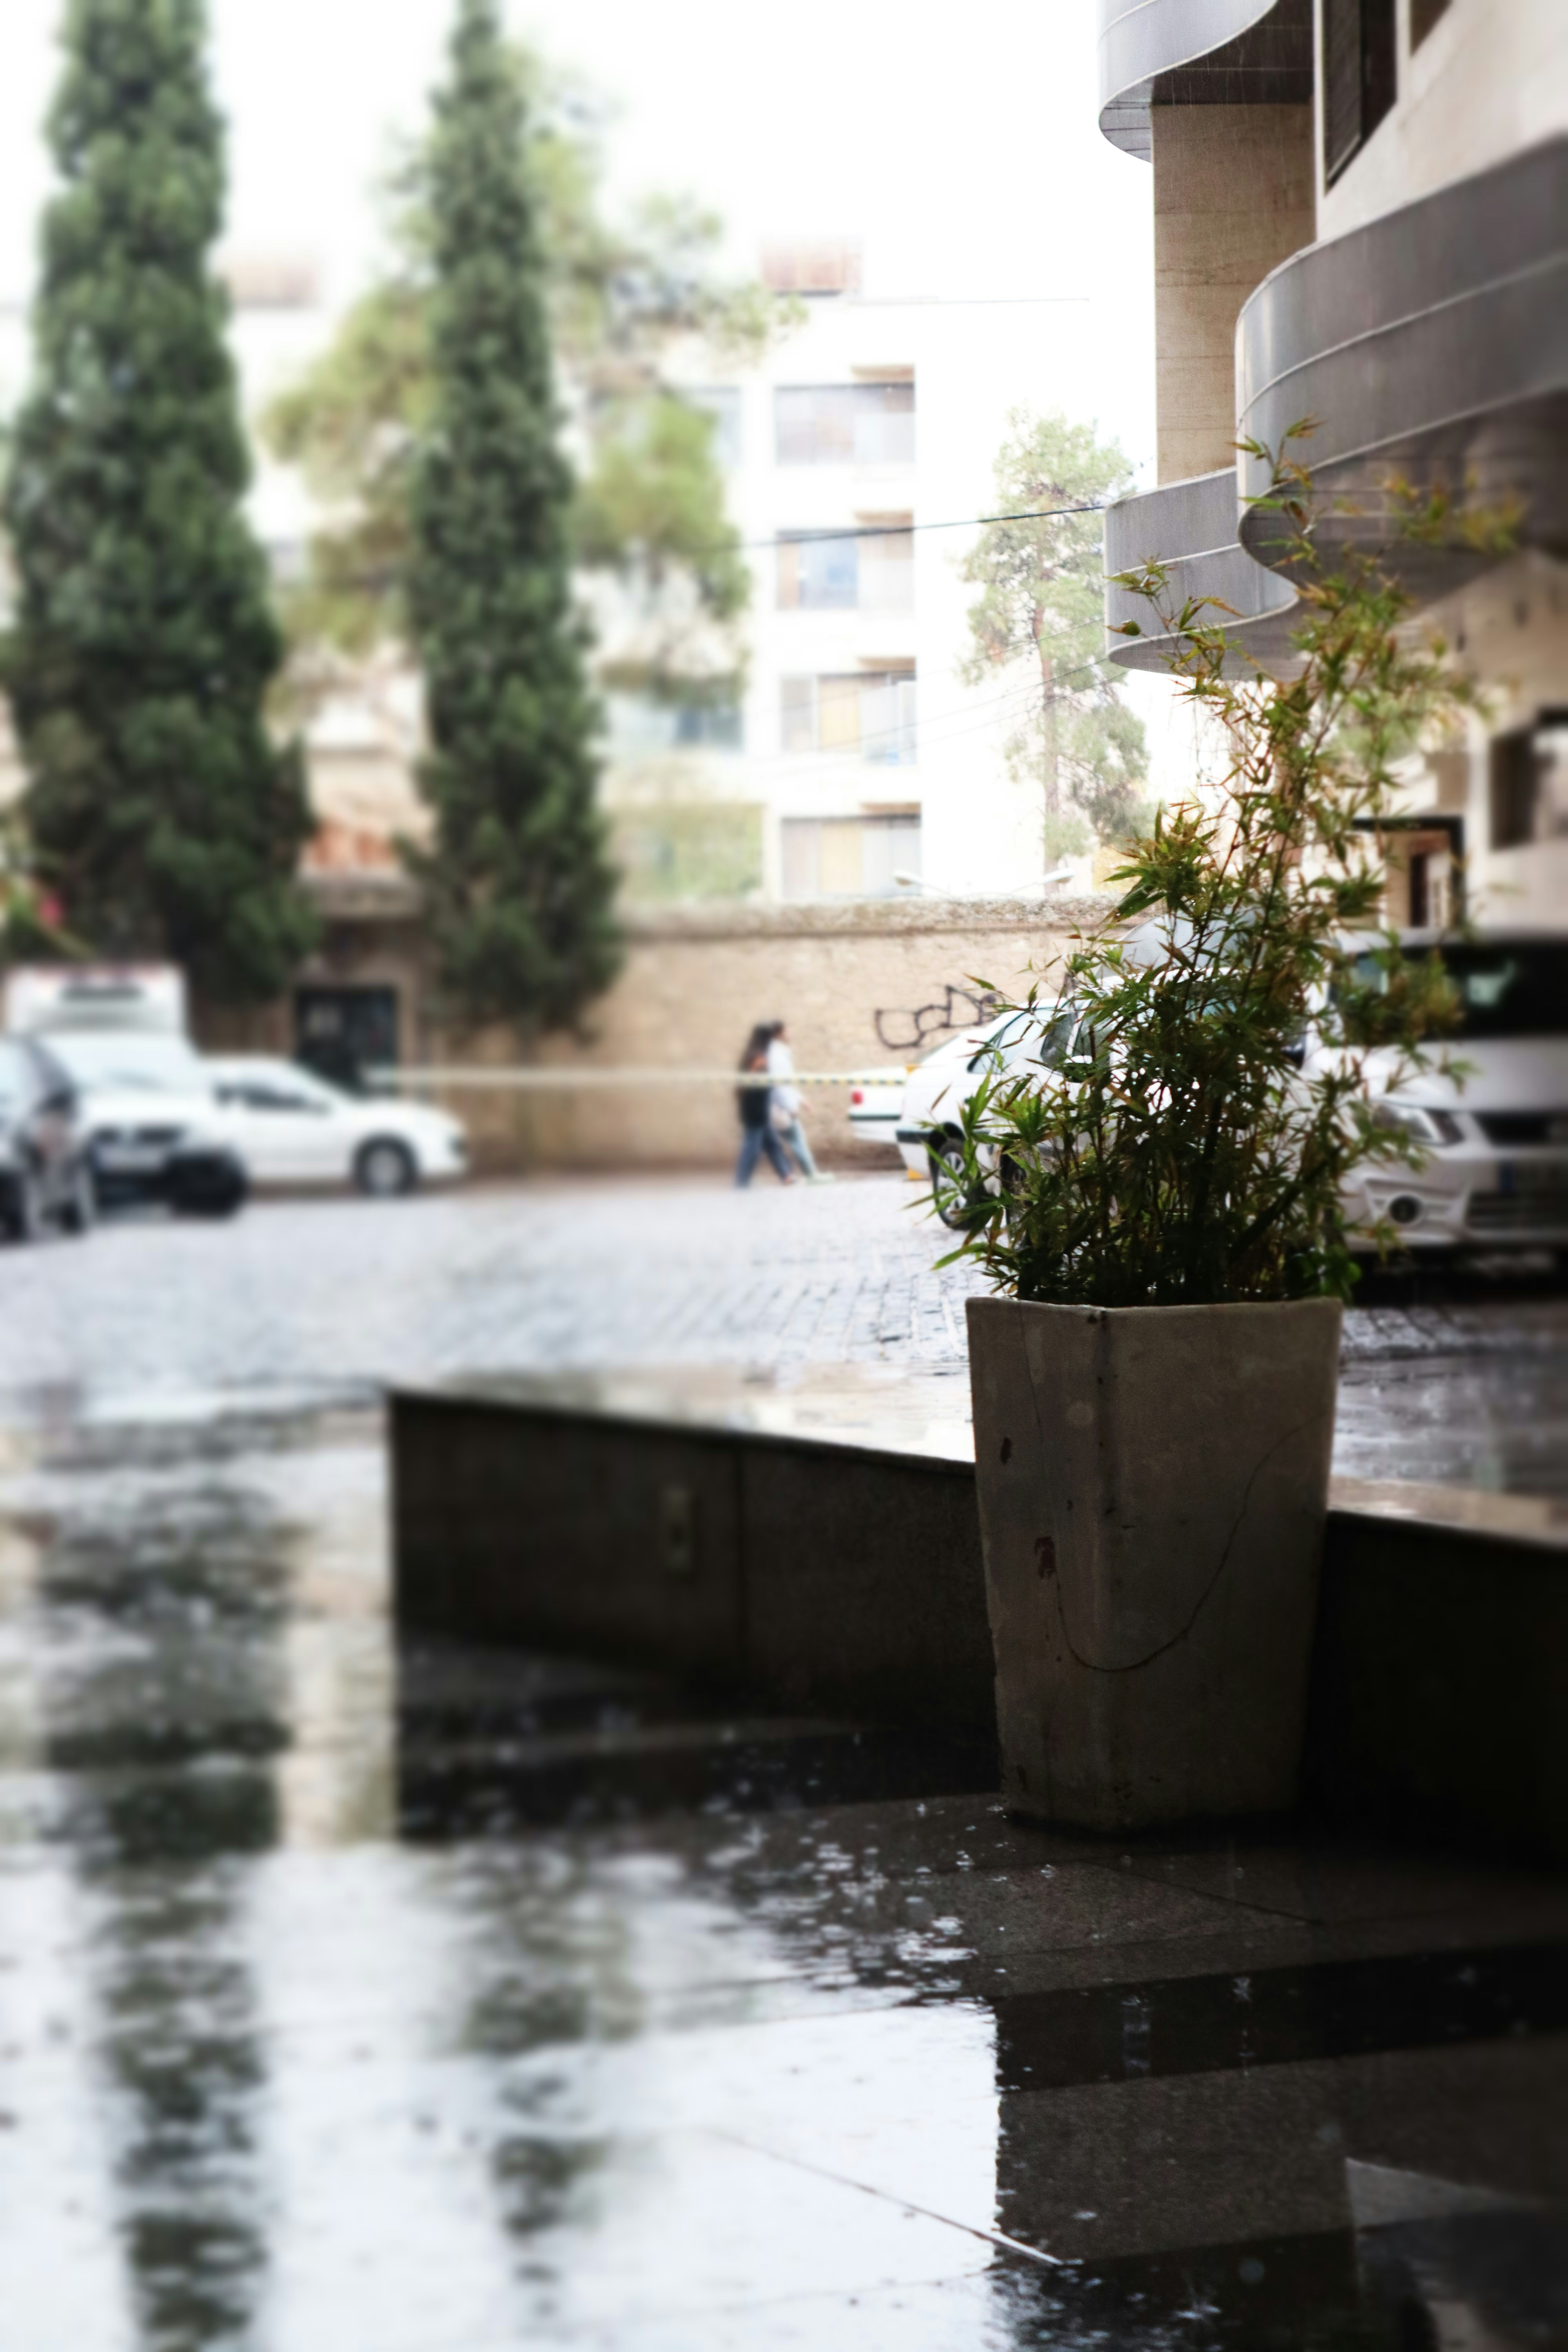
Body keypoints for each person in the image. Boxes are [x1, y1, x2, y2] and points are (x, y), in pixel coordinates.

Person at [767, 1020, 834, 1183]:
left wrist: (801, 1100)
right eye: (787, 1031)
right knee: (795, 1139)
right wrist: (791, 1106)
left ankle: (787, 1174)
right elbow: (781, 1084)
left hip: (779, 1105)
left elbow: (787, 1082)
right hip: (781, 1106)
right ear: (779, 1034)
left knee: (770, 1141)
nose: (790, 1034)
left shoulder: (778, 1053)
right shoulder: (777, 1055)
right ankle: (810, 1174)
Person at [734, 1024, 796, 1188]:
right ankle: (741, 1182)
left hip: (760, 1106)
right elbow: (756, 1084)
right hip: (756, 1108)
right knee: (752, 1148)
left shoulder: (754, 1055)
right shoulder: (759, 1057)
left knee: (772, 1143)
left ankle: (786, 1175)